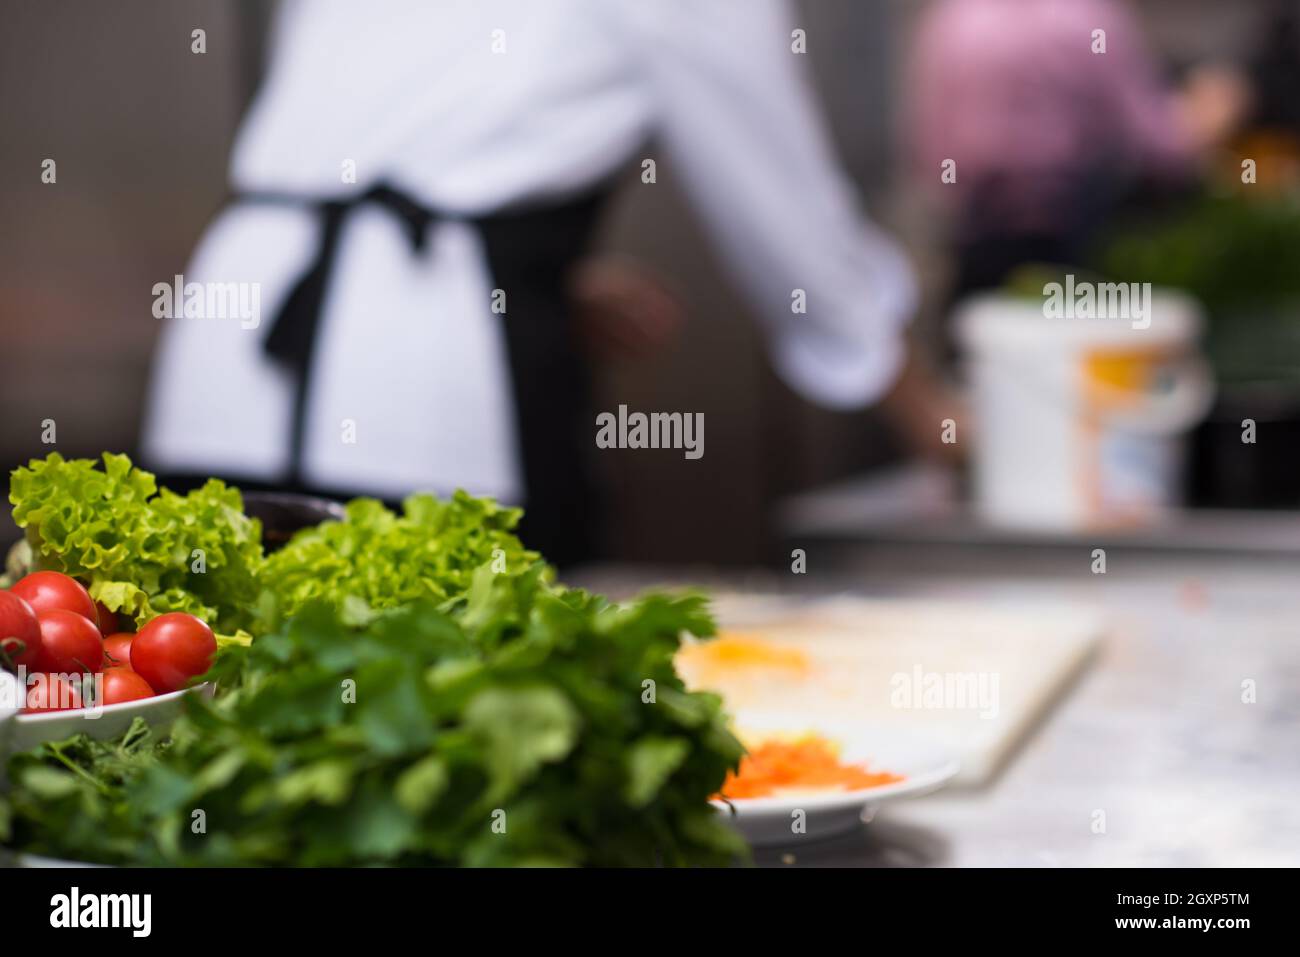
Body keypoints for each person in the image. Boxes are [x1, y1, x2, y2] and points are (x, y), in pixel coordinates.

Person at [143, 0, 932, 565]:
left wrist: (534, 283)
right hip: (422, 387)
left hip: (224, 362)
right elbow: (788, 220)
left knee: (218, 706)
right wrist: (936, 414)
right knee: (471, 712)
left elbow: (386, 130)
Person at [904, 0, 1250, 302]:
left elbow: (933, 153)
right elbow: (1161, 148)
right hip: (1071, 249)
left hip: (973, 248)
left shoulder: (954, 17)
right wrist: (1213, 112)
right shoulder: (1086, 17)